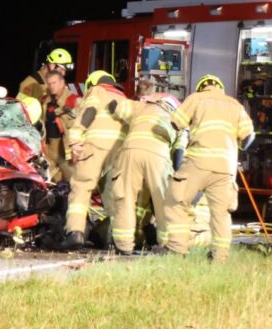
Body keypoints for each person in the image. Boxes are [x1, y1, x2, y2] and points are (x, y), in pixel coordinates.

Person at [162, 74, 254, 261]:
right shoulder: (235, 105)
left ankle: (177, 248)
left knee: (175, 199)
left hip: (199, 162)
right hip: (226, 168)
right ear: (220, 87)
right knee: (221, 214)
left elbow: (175, 122)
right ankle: (219, 257)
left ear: (201, 87)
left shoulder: (196, 98)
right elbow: (249, 137)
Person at [106, 92, 184, 253]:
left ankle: (123, 246)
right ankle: (167, 245)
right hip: (158, 155)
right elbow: (179, 152)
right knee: (163, 201)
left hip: (130, 152)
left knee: (125, 198)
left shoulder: (140, 107)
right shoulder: (179, 118)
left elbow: (115, 105)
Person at [62, 71, 128, 250]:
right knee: (114, 195)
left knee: (81, 187)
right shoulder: (123, 97)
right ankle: (119, 240)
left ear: (92, 83)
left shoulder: (97, 90)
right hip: (117, 152)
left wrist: (75, 138)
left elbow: (88, 112)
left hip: (95, 147)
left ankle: (75, 233)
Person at [41, 70, 79, 183]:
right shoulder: (46, 101)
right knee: (49, 175)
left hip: (65, 147)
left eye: (54, 83)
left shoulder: (73, 100)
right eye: (49, 83)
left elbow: (79, 126)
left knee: (73, 178)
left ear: (62, 82)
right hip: (48, 145)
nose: (51, 86)